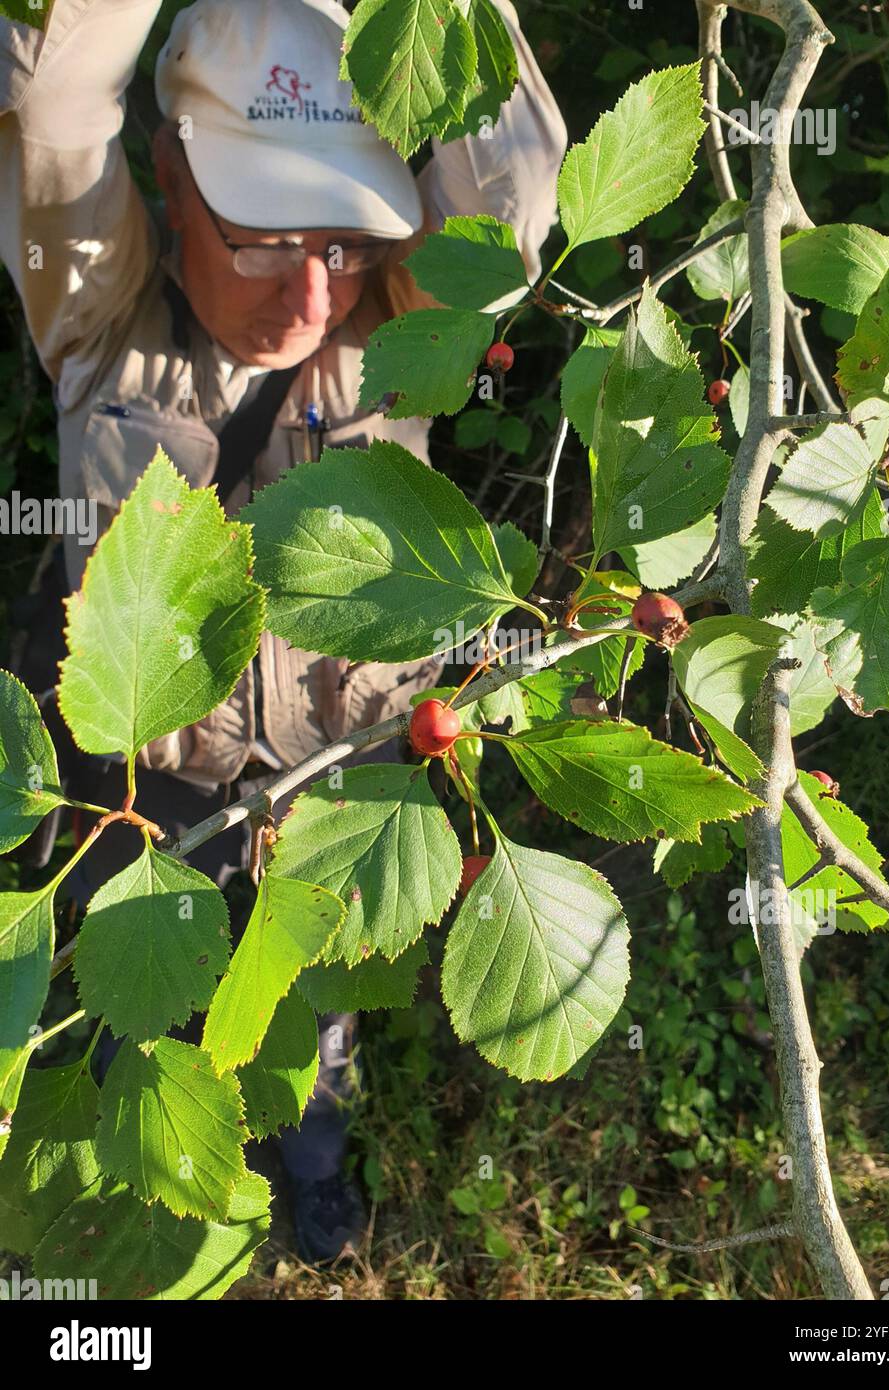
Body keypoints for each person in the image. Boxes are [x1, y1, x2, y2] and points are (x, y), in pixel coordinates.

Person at [0, 0, 567, 1262]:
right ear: (169, 177)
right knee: (139, 988)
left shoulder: (400, 336)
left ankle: (309, 1157)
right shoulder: (101, 329)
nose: (312, 293)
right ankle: (159, 1163)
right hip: (149, 782)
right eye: (261, 239)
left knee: (314, 1013)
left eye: (345, 241)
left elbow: (511, 196)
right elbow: (49, 110)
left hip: (337, 780)